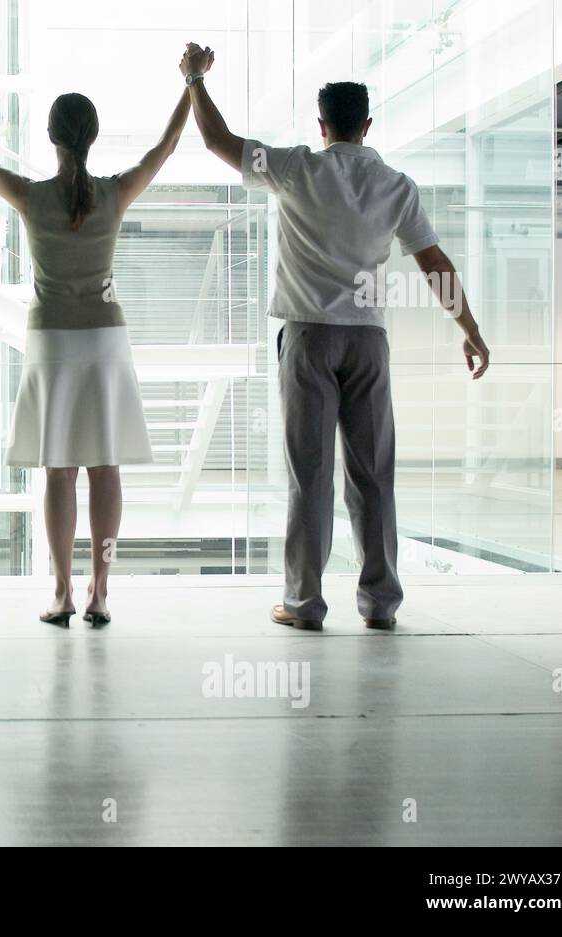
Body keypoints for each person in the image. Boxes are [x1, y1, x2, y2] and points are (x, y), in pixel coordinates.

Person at [180, 43, 491, 631]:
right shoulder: (396, 185)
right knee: (373, 476)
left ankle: (304, 604)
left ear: (321, 126)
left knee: (310, 474)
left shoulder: (298, 168)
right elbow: (433, 262)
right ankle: (380, 605)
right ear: (367, 125)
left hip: (308, 339)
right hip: (368, 343)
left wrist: (195, 79)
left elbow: (218, 142)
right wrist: (468, 328)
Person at [0, 71, 192, 627]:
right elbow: (168, 146)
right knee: (105, 468)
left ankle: (62, 592)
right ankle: (101, 591)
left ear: (52, 137)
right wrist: (191, 81)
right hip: (104, 339)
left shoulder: (32, 196)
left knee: (59, 471)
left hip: (52, 339)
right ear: (92, 136)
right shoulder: (115, 192)